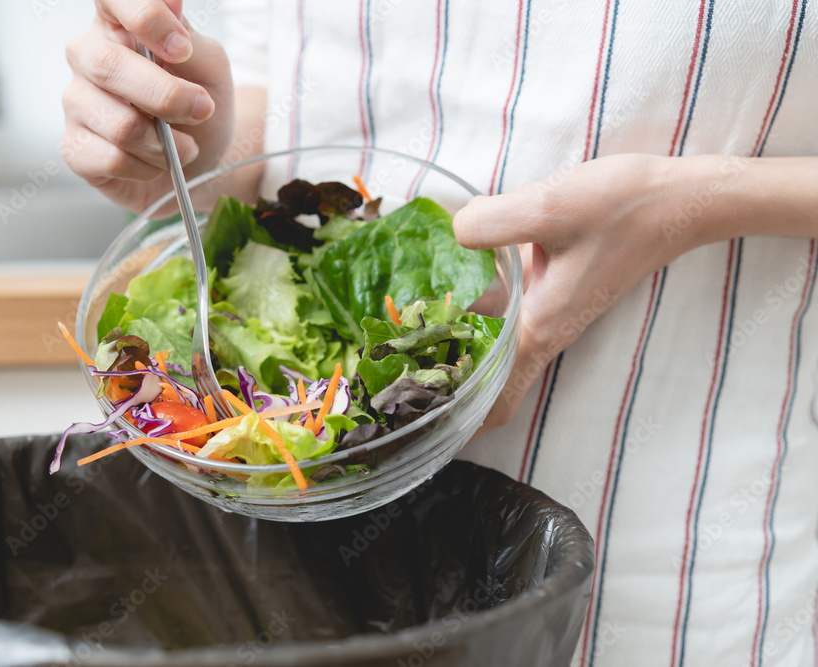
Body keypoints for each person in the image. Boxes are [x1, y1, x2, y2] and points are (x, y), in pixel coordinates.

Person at [60, 1, 818, 664]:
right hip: (298, 554)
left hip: (667, 547)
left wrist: (692, 201)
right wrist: (194, 152)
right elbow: (284, 107)